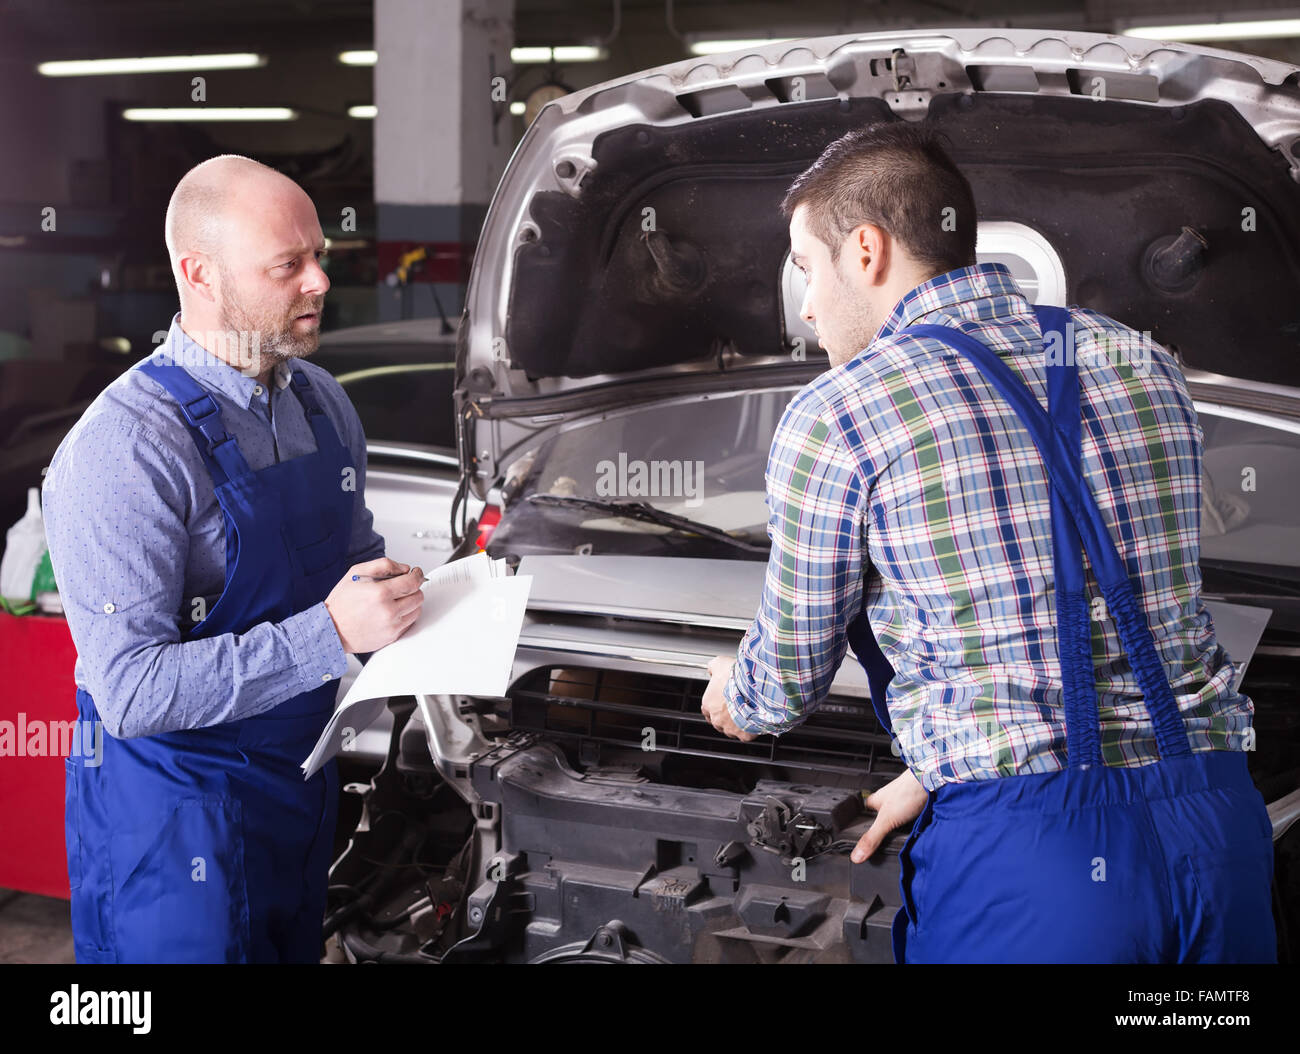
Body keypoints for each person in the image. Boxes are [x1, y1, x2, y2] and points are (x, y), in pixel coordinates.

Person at [700, 123, 1276, 964]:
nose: (808, 304)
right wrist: (935, 770)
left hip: (1034, 873)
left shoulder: (844, 412)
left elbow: (782, 687)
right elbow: (1083, 599)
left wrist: (730, 692)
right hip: (1218, 838)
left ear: (865, 250)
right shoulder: (1143, 361)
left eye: (804, 267)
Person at [44, 154, 426, 963]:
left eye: (321, 255)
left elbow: (354, 565)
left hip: (296, 793)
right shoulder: (127, 447)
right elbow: (132, 691)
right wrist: (332, 632)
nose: (319, 281)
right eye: (289, 265)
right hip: (176, 825)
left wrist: (406, 609)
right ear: (201, 273)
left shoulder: (322, 403)